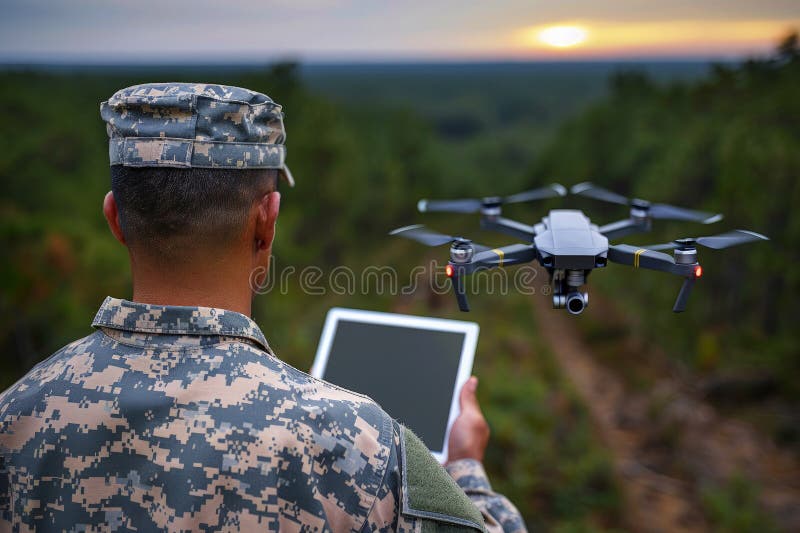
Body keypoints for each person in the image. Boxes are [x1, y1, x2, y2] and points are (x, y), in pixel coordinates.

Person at [0, 83, 525, 532]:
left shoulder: (14, 418)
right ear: (266, 221)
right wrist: (466, 469)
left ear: (115, 219)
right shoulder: (360, 444)